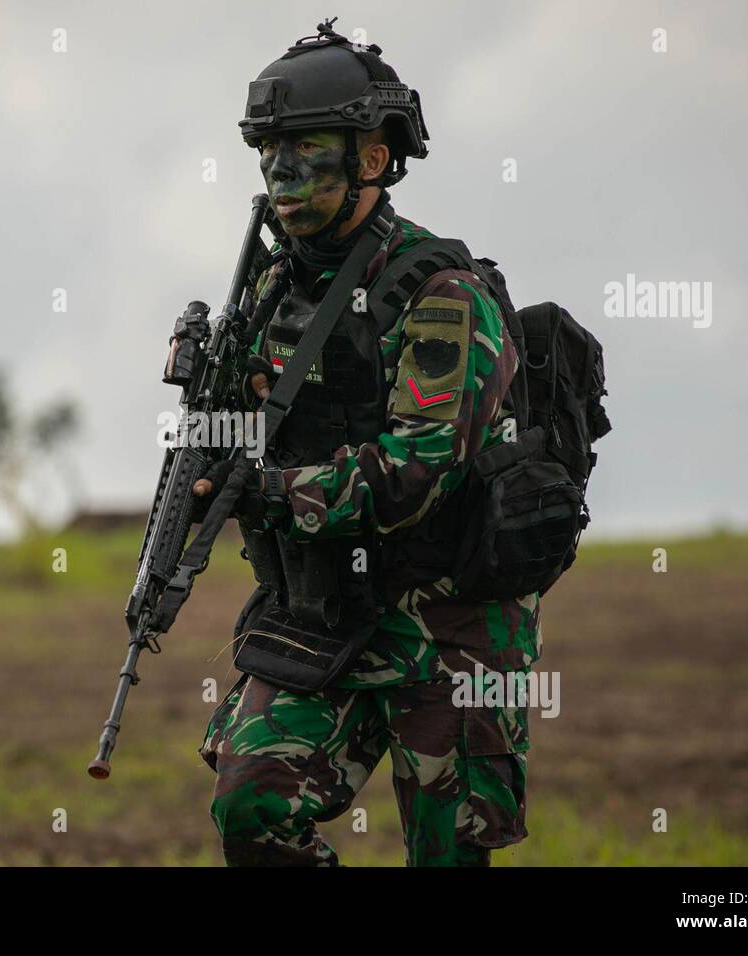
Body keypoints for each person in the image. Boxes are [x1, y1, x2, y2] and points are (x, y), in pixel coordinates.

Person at [192, 19, 539, 867]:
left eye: (304, 148)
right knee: (252, 809)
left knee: (446, 855)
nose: (279, 171)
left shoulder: (441, 294)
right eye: (267, 152)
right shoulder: (273, 290)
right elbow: (249, 434)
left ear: (372, 159)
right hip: (323, 616)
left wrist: (262, 489)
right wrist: (205, 441)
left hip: (450, 619)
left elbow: (416, 474)